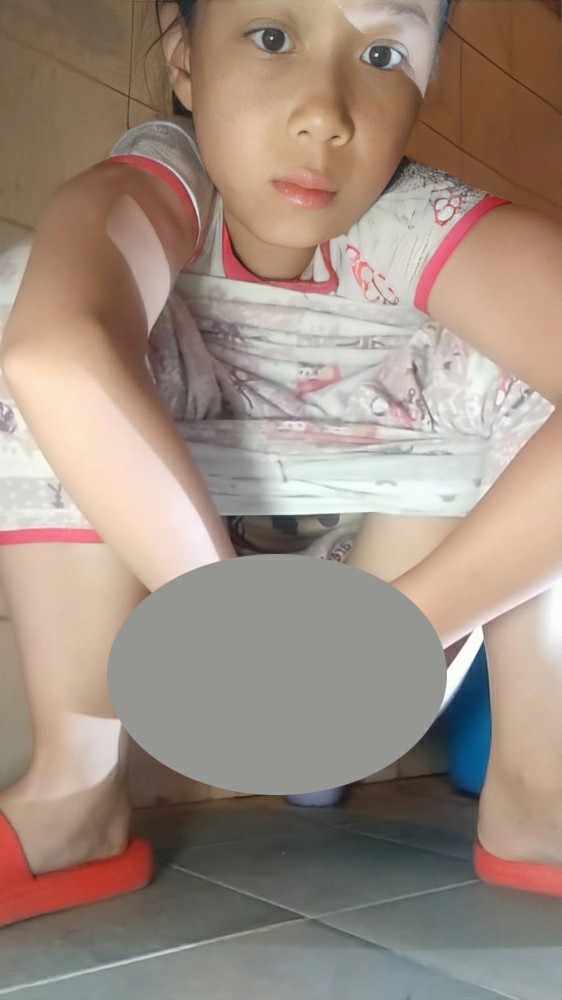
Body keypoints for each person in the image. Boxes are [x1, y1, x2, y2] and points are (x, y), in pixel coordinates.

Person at [0, 0, 560, 927]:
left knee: (517, 358)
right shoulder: (162, 188)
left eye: (383, 54)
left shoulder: (416, 221)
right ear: (185, 60)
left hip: (375, 644)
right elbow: (52, 352)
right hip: (202, 623)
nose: (324, 113)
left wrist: (372, 648)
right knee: (33, 298)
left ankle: (540, 793)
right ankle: (74, 799)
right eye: (271, 37)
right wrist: (240, 644)